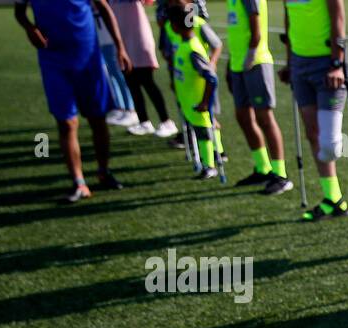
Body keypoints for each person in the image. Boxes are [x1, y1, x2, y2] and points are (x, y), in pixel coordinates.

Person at [15, 0, 130, 203]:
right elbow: (20, 12)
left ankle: (104, 171)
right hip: (53, 60)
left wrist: (120, 47)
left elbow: (103, 8)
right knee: (67, 122)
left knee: (97, 118)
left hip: (88, 58)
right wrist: (29, 28)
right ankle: (79, 182)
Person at [280, 0, 348, 221]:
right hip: (300, 65)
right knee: (313, 134)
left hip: (327, 63)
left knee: (329, 145)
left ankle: (342, 144)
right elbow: (289, 21)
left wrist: (337, 64)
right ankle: (334, 199)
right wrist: (289, 61)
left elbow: (338, 19)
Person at [224, 0, 293, 194]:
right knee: (243, 116)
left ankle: (280, 175)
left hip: (255, 63)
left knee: (265, 118)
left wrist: (250, 56)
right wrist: (232, 63)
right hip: (238, 64)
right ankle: (262, 167)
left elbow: (256, 31)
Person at [162, 0, 225, 165]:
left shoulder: (197, 25)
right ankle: (206, 155)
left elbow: (216, 45)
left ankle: (217, 152)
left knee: (209, 118)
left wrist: (211, 63)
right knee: (193, 118)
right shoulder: (169, 27)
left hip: (200, 78)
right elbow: (168, 53)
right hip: (185, 79)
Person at [113, 0, 179, 137]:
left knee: (147, 81)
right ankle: (144, 121)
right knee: (131, 82)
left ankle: (166, 121)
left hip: (138, 38)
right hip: (121, 40)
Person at [98, 6, 138, 127]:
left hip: (110, 38)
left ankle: (131, 110)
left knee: (119, 73)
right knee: (110, 74)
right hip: (101, 38)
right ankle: (120, 107)